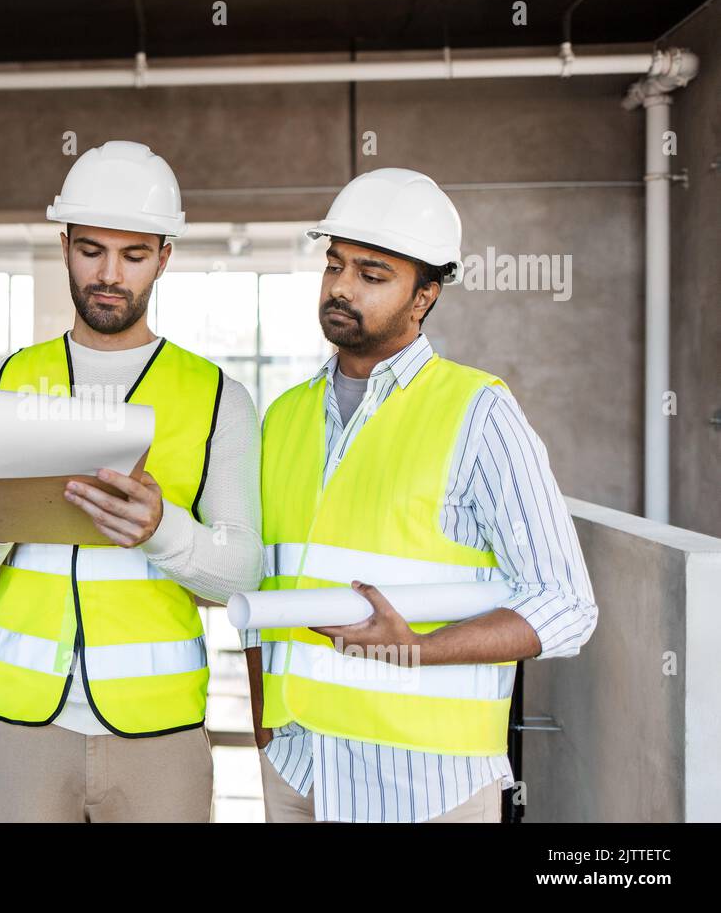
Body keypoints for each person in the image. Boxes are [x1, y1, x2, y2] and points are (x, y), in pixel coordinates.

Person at [246, 167, 598, 823]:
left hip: (425, 782)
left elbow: (568, 603)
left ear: (424, 297)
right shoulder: (285, 416)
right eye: (336, 265)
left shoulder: (478, 413)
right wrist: (266, 726)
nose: (342, 287)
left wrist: (417, 648)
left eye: (373, 275)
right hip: (300, 763)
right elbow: (268, 586)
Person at [0, 142, 262, 822]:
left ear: (165, 256)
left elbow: (243, 573)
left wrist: (162, 530)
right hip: (23, 728)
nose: (110, 275)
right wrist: (10, 509)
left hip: (160, 733)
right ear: (64, 246)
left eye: (134, 254)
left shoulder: (218, 397)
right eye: (92, 251)